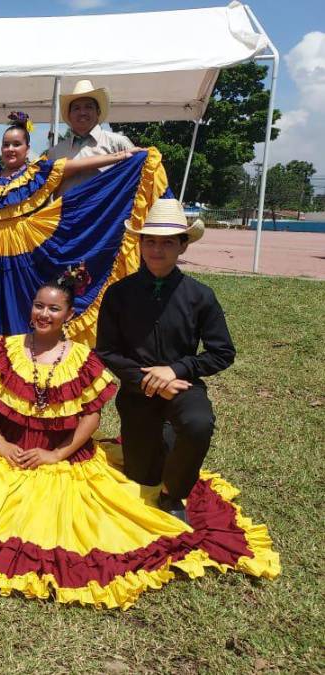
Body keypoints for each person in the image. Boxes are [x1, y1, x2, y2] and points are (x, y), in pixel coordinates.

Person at [0, 268, 279, 609]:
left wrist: (57, 453)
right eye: (39, 306)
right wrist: (1, 443)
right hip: (1, 444)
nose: (44, 313)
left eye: (54, 308)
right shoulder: (4, 348)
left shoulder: (82, 359)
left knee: (75, 518)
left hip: (63, 454)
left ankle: (170, 491)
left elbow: (91, 417)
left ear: (68, 314)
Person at [0, 111, 154, 380]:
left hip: (22, 249)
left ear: (27, 148)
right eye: (7, 144)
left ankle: (19, 361)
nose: (10, 149)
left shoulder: (39, 171)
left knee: (18, 304)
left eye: (17, 144)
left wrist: (120, 157)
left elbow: (74, 167)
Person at [96, 199, 235, 523]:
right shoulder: (119, 294)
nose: (158, 250)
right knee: (142, 476)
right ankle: (158, 443)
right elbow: (106, 351)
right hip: (137, 392)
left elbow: (222, 351)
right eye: (151, 241)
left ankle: (174, 495)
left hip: (182, 387)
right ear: (140, 243)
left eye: (168, 242)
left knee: (198, 424)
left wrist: (175, 370)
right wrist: (149, 380)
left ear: (183, 246)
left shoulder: (200, 296)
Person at [46, 80, 135, 195]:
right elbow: (47, 190)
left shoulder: (118, 143)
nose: (82, 112)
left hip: (107, 212)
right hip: (68, 212)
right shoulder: (55, 152)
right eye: (76, 108)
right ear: (69, 115)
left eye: (88, 107)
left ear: (98, 112)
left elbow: (136, 177)